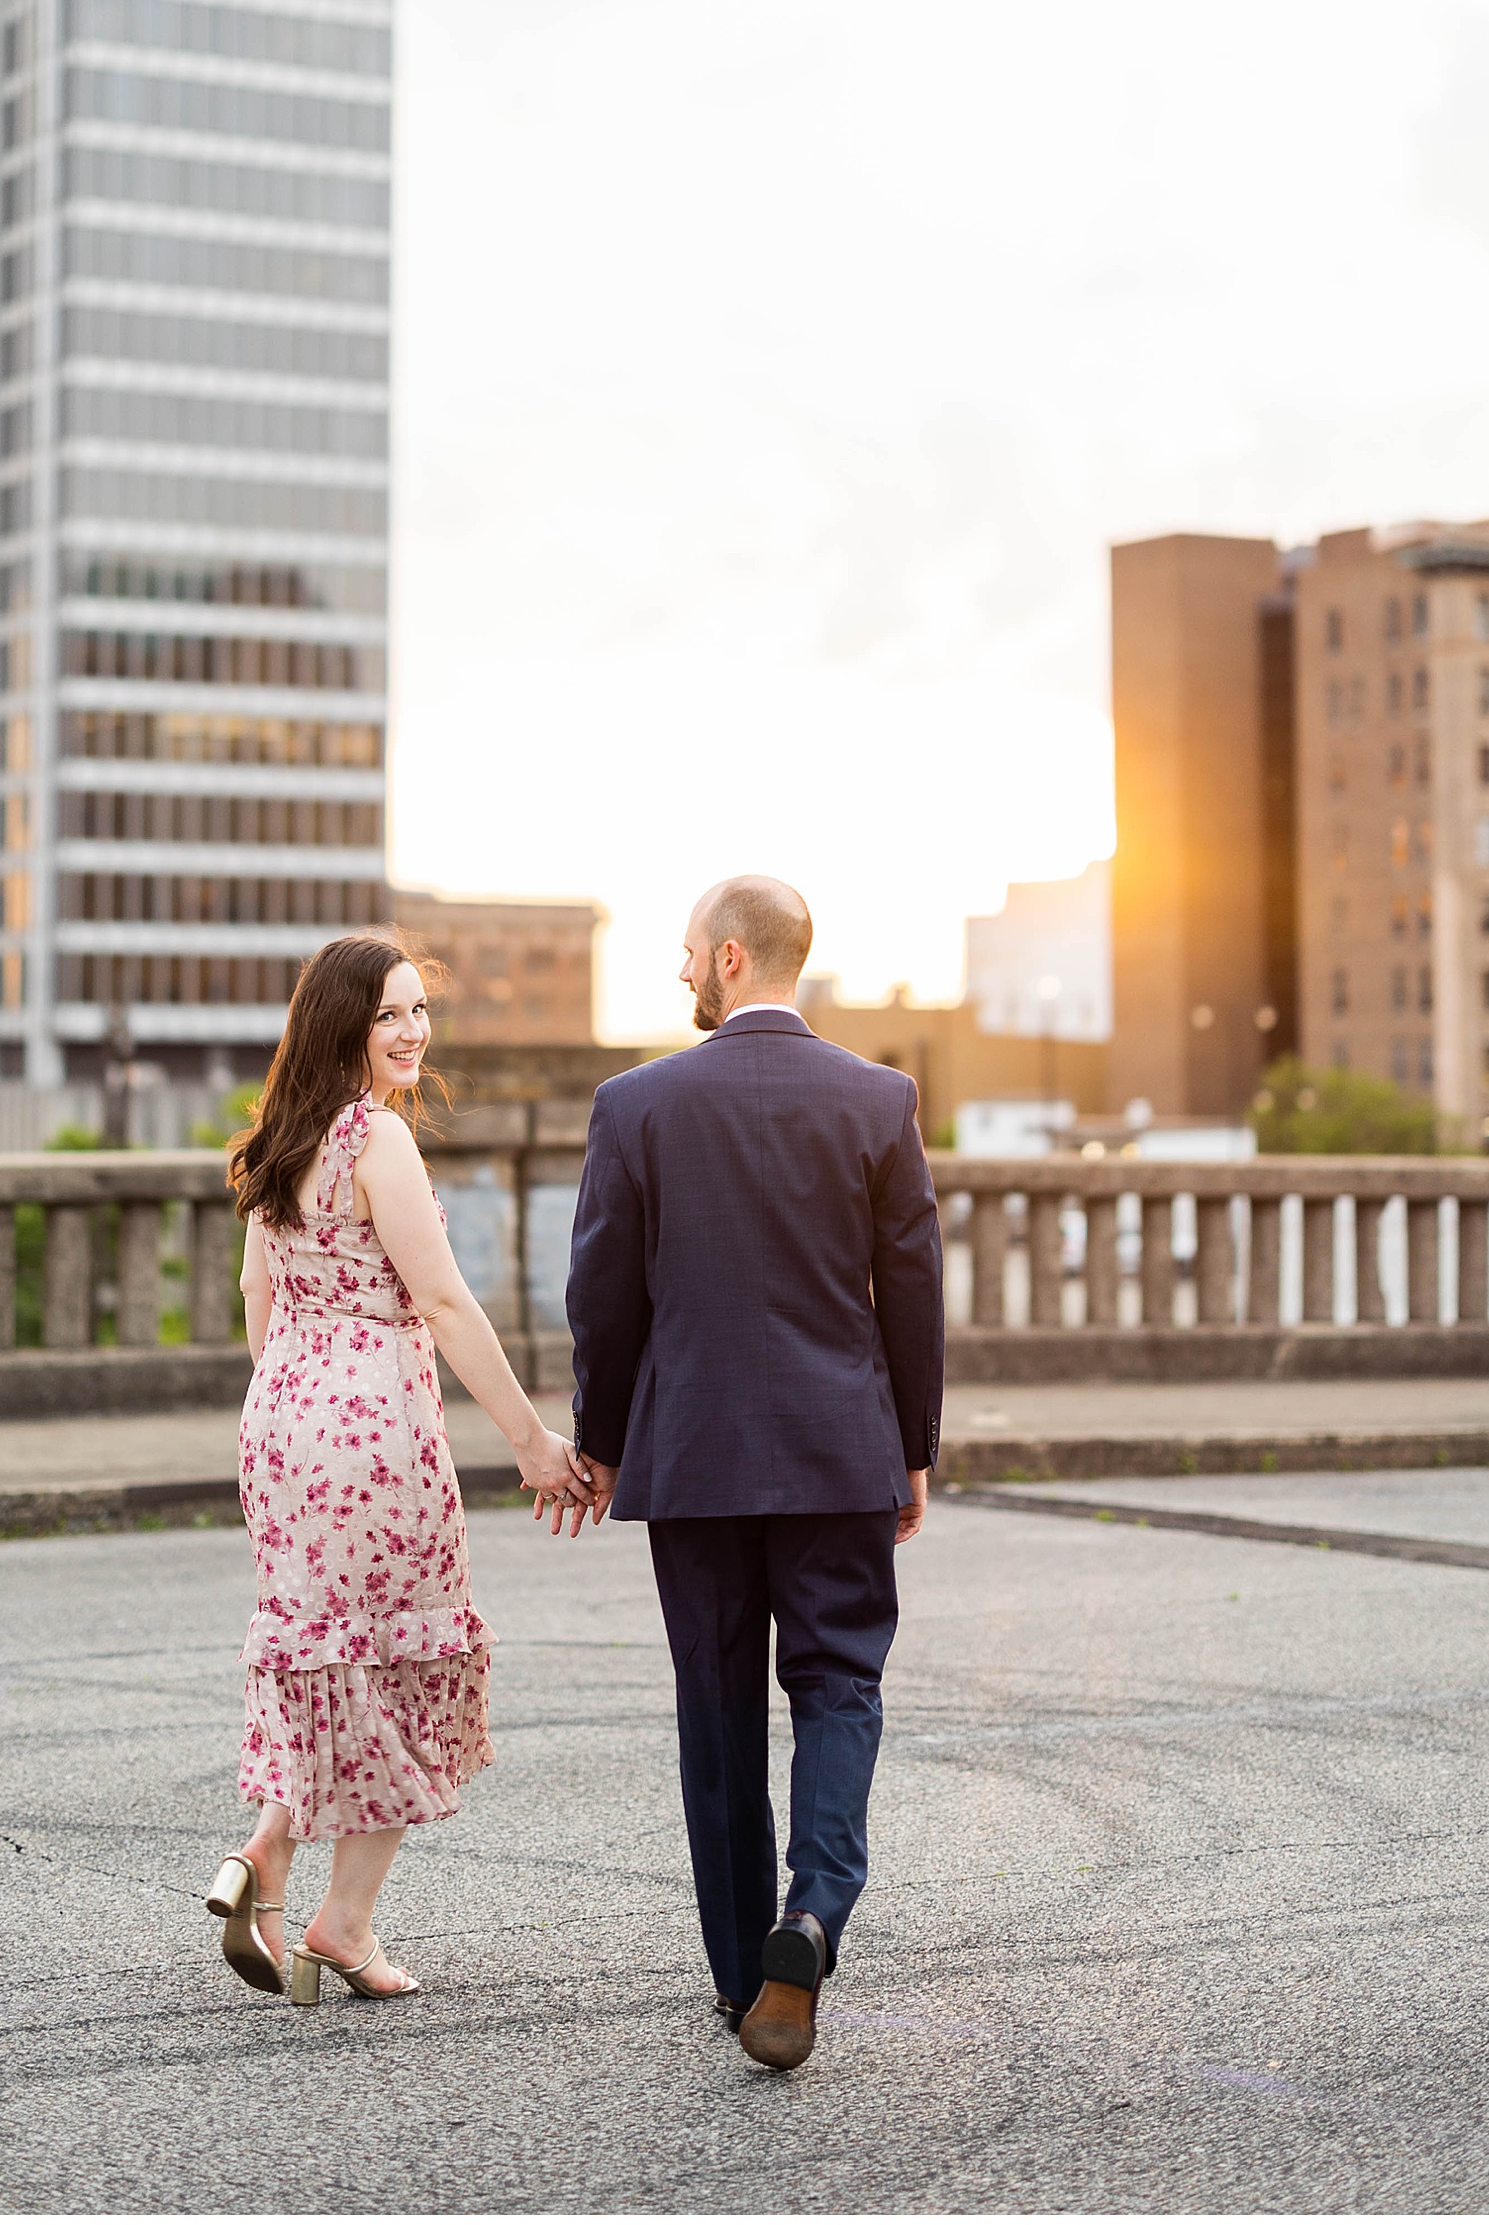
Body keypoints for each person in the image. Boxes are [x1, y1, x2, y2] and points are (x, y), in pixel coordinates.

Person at [563, 875, 945, 2071]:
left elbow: (600, 1295)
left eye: (684, 954)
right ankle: (811, 1913)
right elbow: (914, 1290)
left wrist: (603, 1433)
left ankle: (741, 1978)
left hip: (693, 1457)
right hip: (839, 1449)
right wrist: (912, 1445)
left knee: (717, 1709)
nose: (678, 972)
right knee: (838, 1683)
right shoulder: (878, 1098)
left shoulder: (636, 1104)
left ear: (730, 958)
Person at [204, 929, 589, 2002]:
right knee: (408, 1662)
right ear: (346, 1026)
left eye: (420, 1009)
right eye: (389, 1014)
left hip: (279, 1423)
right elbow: (445, 1302)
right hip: (372, 1432)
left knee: (335, 1656)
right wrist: (531, 1441)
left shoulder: (276, 1139)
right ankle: (341, 1919)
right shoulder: (375, 1140)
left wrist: (293, 1396)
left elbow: (255, 1293)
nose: (413, 1029)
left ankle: (267, 1852)